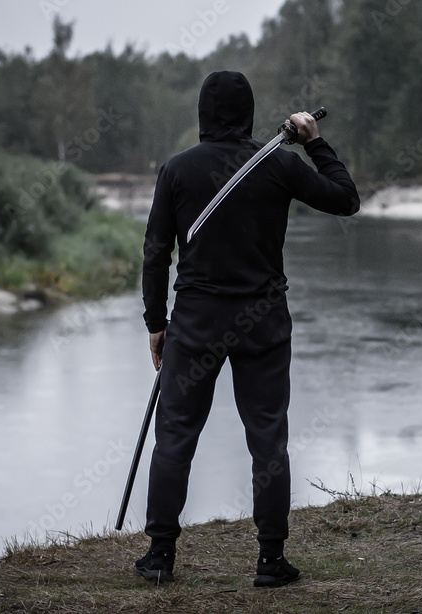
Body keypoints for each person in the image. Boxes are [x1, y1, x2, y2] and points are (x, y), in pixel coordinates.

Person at [136, 70, 359, 587]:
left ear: (202, 114)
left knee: (174, 438)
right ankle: (270, 561)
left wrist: (156, 322)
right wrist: (316, 143)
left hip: (194, 323)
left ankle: (160, 556)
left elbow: (155, 253)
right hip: (262, 320)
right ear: (250, 113)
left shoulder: (177, 170)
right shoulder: (278, 163)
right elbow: (345, 199)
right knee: (267, 439)